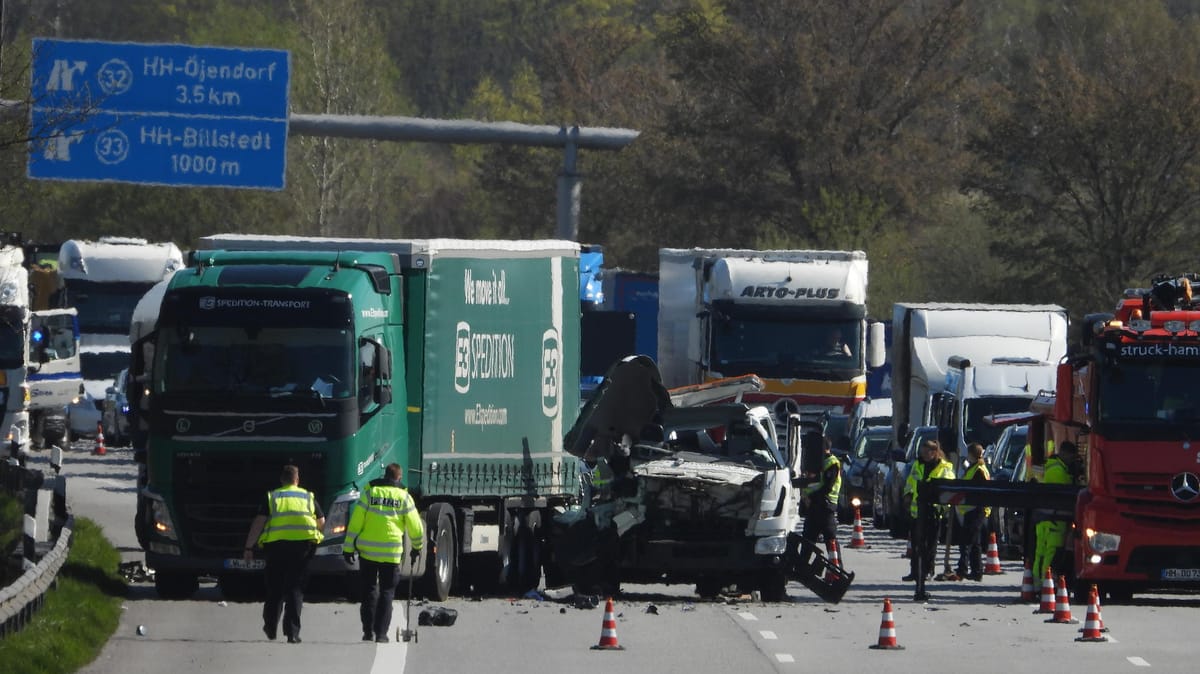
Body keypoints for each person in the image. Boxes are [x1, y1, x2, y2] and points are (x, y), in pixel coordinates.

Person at [343, 463, 425, 643]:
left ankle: (367, 631)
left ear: (385, 475)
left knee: (369, 591)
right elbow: (416, 527)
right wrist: (417, 547)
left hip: (368, 553)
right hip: (391, 553)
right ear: (399, 478)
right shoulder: (404, 497)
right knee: (387, 592)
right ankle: (381, 634)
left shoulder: (370, 494)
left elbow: (356, 523)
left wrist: (348, 547)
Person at [244, 465, 325, 644]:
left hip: (276, 548)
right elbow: (321, 521)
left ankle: (271, 627)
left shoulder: (272, 497)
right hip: (302, 549)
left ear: (282, 480)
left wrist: (249, 547)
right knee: (295, 590)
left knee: (275, 589)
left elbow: (259, 522)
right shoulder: (308, 497)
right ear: (297, 480)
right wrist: (316, 536)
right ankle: (292, 633)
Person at [902, 439, 955, 581]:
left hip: (934, 511)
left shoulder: (945, 467)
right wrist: (907, 496)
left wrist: (943, 508)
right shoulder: (917, 464)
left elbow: (949, 490)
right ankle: (915, 572)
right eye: (922, 452)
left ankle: (927, 571)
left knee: (930, 544)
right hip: (917, 510)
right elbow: (909, 483)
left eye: (927, 452)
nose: (924, 455)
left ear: (934, 452)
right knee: (916, 543)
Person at [1033, 441, 1080, 580]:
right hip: (1054, 521)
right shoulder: (1057, 470)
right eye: (1071, 457)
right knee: (1051, 553)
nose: (1071, 460)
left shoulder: (1052, 466)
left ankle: (1038, 584)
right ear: (1064, 453)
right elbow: (1064, 489)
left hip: (1045, 519)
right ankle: (1045, 582)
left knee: (1041, 553)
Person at [955, 442, 991, 581]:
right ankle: (975, 571)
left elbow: (977, 491)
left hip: (976, 510)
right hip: (973, 510)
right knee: (973, 542)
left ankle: (965, 569)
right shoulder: (975, 468)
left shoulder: (978, 470)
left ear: (971, 454)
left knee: (968, 541)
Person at [801, 437, 842, 552]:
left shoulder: (832, 463)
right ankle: (802, 568)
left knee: (830, 540)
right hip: (813, 507)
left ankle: (836, 567)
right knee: (807, 541)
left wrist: (811, 497)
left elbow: (828, 487)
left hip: (825, 506)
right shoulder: (817, 463)